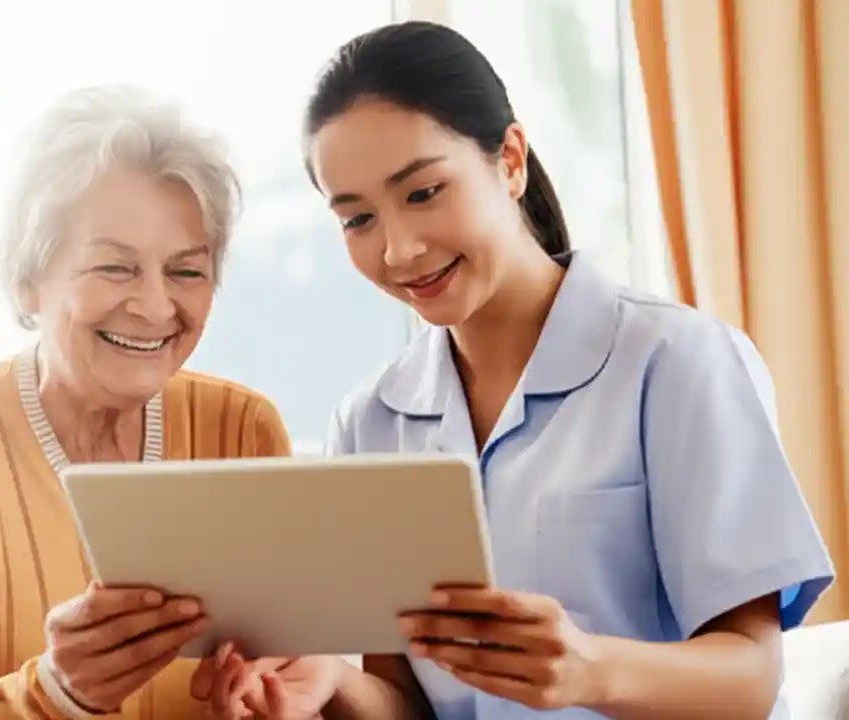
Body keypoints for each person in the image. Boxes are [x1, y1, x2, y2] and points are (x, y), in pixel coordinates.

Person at [193, 21, 834, 720]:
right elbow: (405, 701)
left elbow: (751, 678)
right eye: (357, 220)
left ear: (510, 159)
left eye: (423, 192)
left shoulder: (675, 363)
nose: (400, 250)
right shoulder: (371, 419)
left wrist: (591, 671)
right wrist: (325, 686)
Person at [0, 85, 291, 720]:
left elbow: (288, 678)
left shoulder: (245, 430)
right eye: (115, 268)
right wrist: (60, 694)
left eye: (186, 272)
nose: (156, 307)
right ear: (28, 278)